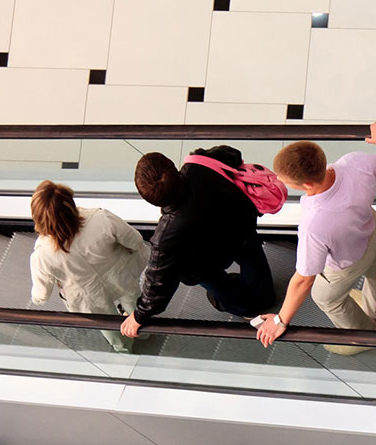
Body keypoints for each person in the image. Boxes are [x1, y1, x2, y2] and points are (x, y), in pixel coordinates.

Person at [256, 121, 376, 355]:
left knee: (325, 297)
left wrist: (280, 321)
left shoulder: (314, 225)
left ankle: (370, 335)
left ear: (306, 184)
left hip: (346, 263)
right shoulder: (355, 162)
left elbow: (304, 279)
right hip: (372, 233)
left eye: (285, 180)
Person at [121, 146, 277, 338]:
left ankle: (246, 309)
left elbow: (157, 284)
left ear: (151, 200)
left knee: (218, 285)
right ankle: (265, 295)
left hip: (203, 263)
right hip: (238, 226)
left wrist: (139, 315)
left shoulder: (165, 238)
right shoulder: (199, 165)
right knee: (252, 259)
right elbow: (233, 155)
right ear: (172, 166)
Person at [28, 181, 151, 352]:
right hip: (121, 276)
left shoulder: (42, 254)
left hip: (87, 296)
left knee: (107, 325)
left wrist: (36, 298)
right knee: (134, 303)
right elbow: (135, 240)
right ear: (70, 203)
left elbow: (41, 295)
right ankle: (145, 332)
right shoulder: (101, 218)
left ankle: (123, 348)